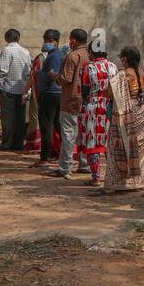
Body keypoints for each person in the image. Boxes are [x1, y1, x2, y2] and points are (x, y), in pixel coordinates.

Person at [104, 47, 144, 193]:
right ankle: (137, 182)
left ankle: (120, 182)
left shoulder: (122, 75)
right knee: (139, 149)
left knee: (119, 147)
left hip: (127, 112)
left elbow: (109, 94)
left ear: (125, 59)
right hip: (143, 110)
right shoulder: (142, 73)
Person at [52, 28, 91, 179]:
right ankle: (84, 164)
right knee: (83, 133)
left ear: (73, 40)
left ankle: (64, 168)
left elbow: (66, 79)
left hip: (70, 100)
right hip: (86, 101)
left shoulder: (72, 56)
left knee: (68, 135)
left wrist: (55, 76)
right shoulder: (89, 55)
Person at [78, 49, 117, 187]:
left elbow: (85, 90)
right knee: (109, 142)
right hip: (110, 107)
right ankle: (112, 175)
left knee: (93, 142)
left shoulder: (88, 67)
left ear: (92, 53)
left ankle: (96, 177)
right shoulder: (113, 66)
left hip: (93, 107)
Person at [31, 29, 65, 168]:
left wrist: (40, 74)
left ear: (56, 42)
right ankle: (61, 154)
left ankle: (44, 157)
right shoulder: (55, 55)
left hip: (50, 94)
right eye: (46, 40)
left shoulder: (54, 56)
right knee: (57, 125)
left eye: (50, 41)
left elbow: (53, 76)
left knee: (47, 126)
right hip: (55, 94)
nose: (47, 43)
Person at [0, 28, 31, 152]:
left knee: (8, 118)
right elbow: (28, 72)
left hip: (8, 89)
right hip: (21, 89)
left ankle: (7, 144)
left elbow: (3, 71)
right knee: (20, 118)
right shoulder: (25, 51)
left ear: (6, 39)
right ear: (18, 38)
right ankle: (18, 143)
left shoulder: (7, 50)